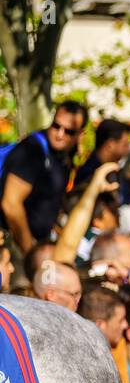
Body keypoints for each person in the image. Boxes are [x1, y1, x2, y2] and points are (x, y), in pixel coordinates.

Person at [1, 101, 87, 271]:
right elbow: (10, 204)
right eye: (56, 126)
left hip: (37, 244)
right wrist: (29, 252)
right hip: (14, 244)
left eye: (69, 131)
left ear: (80, 134)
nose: (60, 134)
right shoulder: (31, 151)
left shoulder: (63, 157)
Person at [72, 118, 130, 193]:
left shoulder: (110, 169)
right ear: (110, 145)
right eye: (125, 144)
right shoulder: (89, 174)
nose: (129, 149)